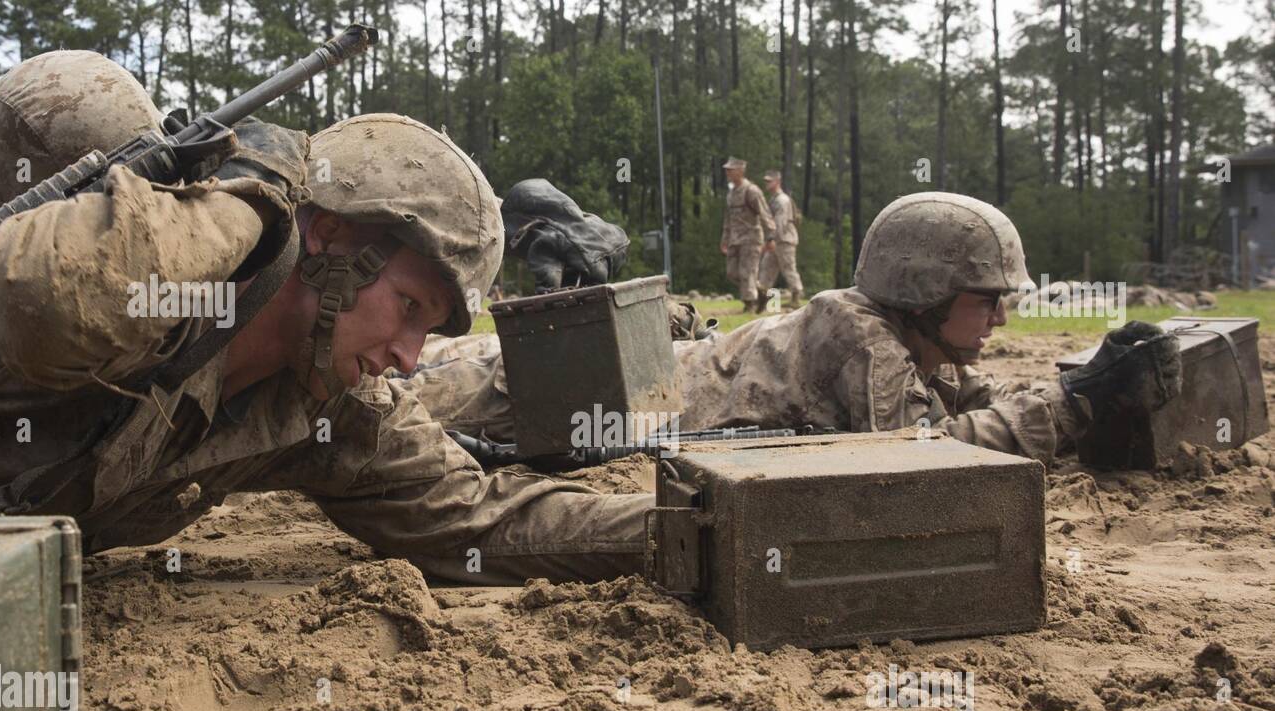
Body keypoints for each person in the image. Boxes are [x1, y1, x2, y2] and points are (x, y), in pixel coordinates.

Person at [0, 52, 650, 584]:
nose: (409, 357)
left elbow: (480, 523)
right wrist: (251, 200)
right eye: (408, 308)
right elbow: (45, 300)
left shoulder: (332, 406)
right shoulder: (156, 296)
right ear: (325, 236)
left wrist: (694, 526)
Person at [397, 192, 1181, 467]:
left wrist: (1079, 386)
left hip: (619, 385)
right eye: (988, 298)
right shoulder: (864, 337)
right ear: (926, 295)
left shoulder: (907, 336)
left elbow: (972, 397)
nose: (1004, 317)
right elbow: (923, 459)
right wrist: (1073, 406)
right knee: (386, 389)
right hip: (538, 391)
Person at [719, 158, 776, 314]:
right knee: (732, 273)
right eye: (727, 170)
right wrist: (724, 239)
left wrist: (771, 236)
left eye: (731, 170)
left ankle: (749, 305)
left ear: (741, 171)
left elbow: (765, 214)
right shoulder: (731, 193)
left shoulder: (752, 191)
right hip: (734, 239)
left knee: (748, 272)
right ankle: (762, 293)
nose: (727, 172)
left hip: (751, 238)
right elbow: (728, 219)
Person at [755, 170, 804, 311]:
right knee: (766, 269)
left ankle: (795, 298)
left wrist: (770, 239)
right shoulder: (773, 199)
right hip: (777, 240)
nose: (766, 184)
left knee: (788, 268)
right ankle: (763, 300)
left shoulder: (782, 200)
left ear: (777, 182)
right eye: (766, 181)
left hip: (784, 240)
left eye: (769, 181)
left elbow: (780, 222)